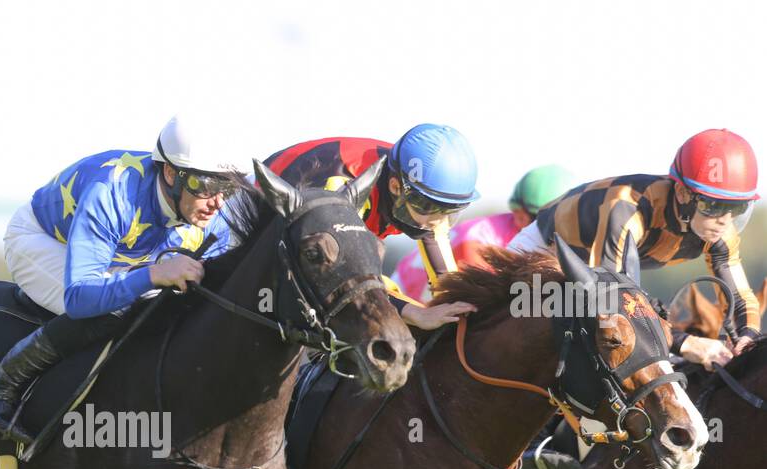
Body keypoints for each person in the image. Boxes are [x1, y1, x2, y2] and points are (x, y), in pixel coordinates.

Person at [0, 115, 243, 444]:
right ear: (170, 173)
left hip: (120, 259)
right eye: (205, 186)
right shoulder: (113, 192)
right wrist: (153, 275)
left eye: (227, 188)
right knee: (121, 308)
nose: (217, 203)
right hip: (44, 241)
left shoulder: (216, 216)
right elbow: (81, 297)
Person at [509, 129, 761, 370]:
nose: (725, 221)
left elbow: (740, 298)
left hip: (601, 272)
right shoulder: (627, 211)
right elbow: (611, 304)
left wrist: (748, 337)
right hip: (543, 250)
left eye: (737, 208)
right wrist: (686, 342)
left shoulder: (718, 226)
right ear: (683, 193)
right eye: (713, 206)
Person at [263, 124, 483, 329]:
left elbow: (446, 282)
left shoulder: (418, 192)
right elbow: (345, 278)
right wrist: (413, 311)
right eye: (428, 206)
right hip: (260, 207)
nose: (437, 221)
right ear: (396, 186)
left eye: (449, 210)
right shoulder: (343, 186)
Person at [390, 164, 576, 302]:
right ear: (520, 215)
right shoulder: (477, 242)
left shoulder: (521, 231)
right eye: (547, 222)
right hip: (406, 301)